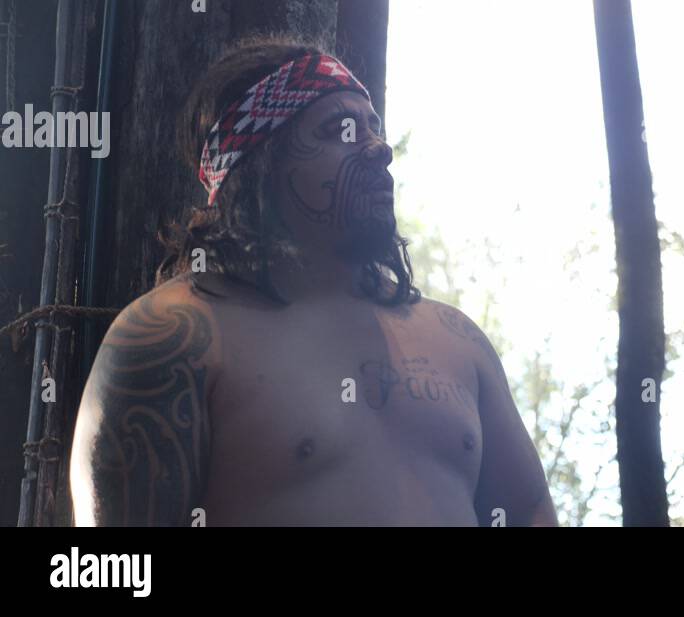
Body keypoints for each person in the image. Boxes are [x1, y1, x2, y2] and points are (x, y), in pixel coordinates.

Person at [69, 36, 557, 527]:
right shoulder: (175, 334)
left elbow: (529, 510)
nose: (379, 148)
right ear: (256, 164)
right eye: (338, 130)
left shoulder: (457, 339)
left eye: (373, 126)